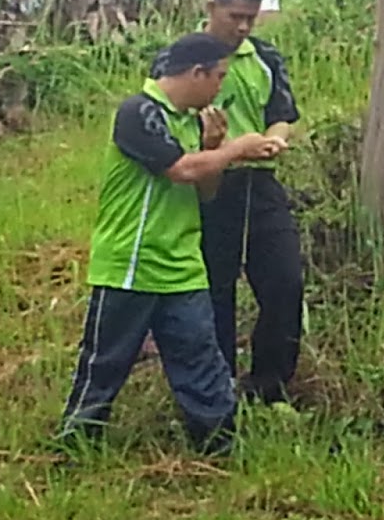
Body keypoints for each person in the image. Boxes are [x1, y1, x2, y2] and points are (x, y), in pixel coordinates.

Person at [55, 32, 285, 459]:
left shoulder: (190, 122)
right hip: (131, 264)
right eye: (218, 77)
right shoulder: (138, 112)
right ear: (196, 73)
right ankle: (75, 445)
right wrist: (236, 148)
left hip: (181, 265)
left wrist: (214, 147)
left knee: (202, 360)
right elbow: (178, 170)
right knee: (105, 362)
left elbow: (206, 190)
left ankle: (219, 449)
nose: (220, 87)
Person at [198, 0, 305, 405]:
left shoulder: (263, 56)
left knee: (285, 281)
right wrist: (214, 147)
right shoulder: (184, 58)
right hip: (205, 183)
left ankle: (270, 386)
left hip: (258, 183)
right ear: (212, 9)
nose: (242, 27)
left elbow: (281, 112)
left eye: (250, 18)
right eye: (234, 16)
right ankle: (217, 388)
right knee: (215, 290)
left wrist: (274, 139)